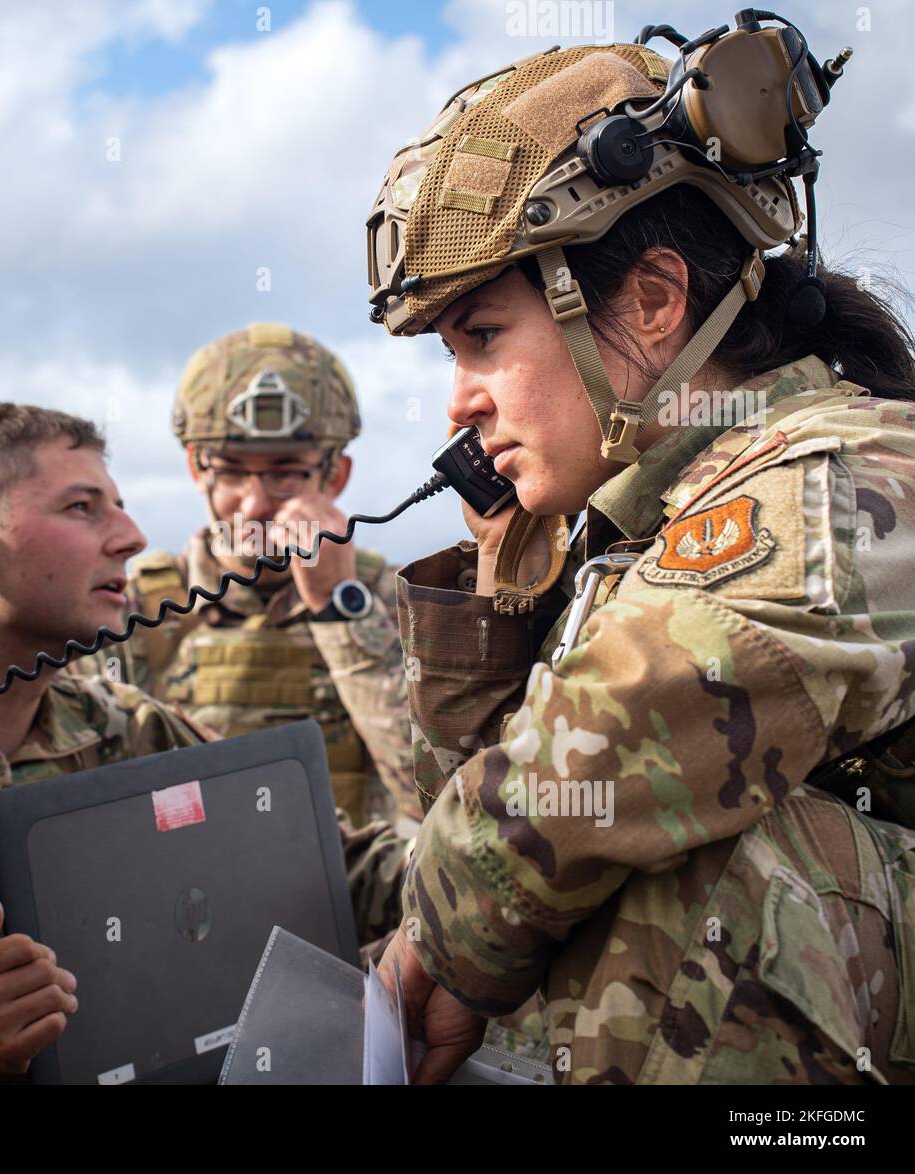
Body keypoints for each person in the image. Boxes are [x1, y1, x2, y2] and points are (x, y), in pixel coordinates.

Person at [365, 31, 915, 1084]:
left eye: (482, 336)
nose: (458, 401)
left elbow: (620, 734)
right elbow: (490, 803)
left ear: (653, 303)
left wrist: (432, 943)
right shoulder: (648, 526)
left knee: (691, 869)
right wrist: (501, 587)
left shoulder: (852, 468)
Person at [0, 404, 407, 1081]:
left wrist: (494, 881)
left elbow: (331, 863)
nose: (131, 536)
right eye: (83, 508)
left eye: (117, 505)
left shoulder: (126, 728)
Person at [90, 322, 421, 833]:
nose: (255, 503)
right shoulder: (141, 607)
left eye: (285, 472)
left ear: (334, 476)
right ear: (197, 469)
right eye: (231, 470)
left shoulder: (396, 601)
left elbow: (437, 798)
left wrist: (339, 606)